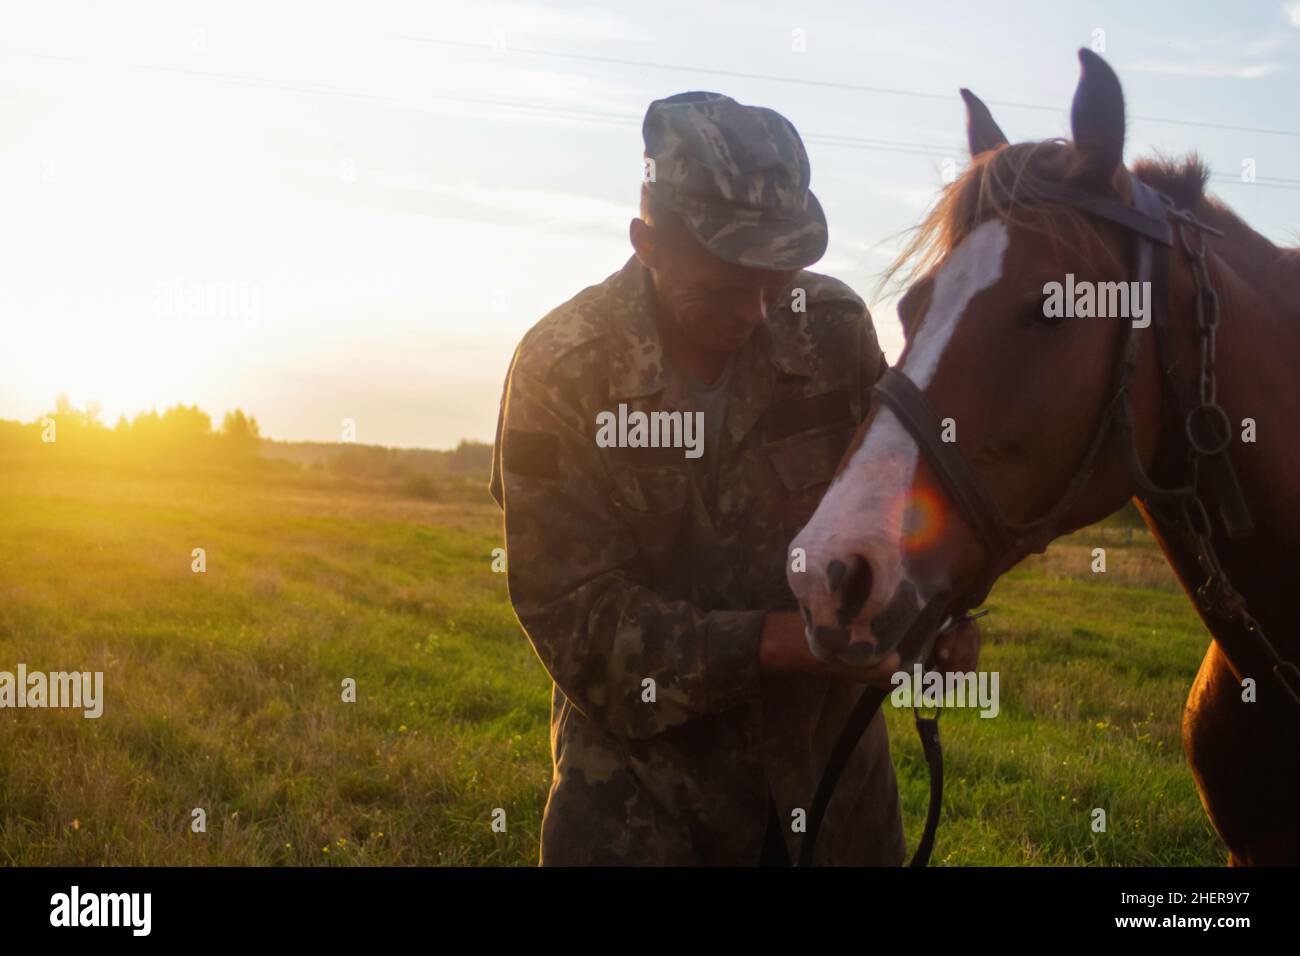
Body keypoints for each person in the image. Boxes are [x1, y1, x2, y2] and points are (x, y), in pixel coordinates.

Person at [489, 91, 979, 865]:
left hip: (835, 807)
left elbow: (903, 510)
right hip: (641, 816)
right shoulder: (563, 372)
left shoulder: (833, 332)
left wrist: (935, 616)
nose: (758, 311)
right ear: (646, 243)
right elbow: (578, 622)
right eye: (725, 283)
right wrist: (785, 644)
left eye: (778, 278)